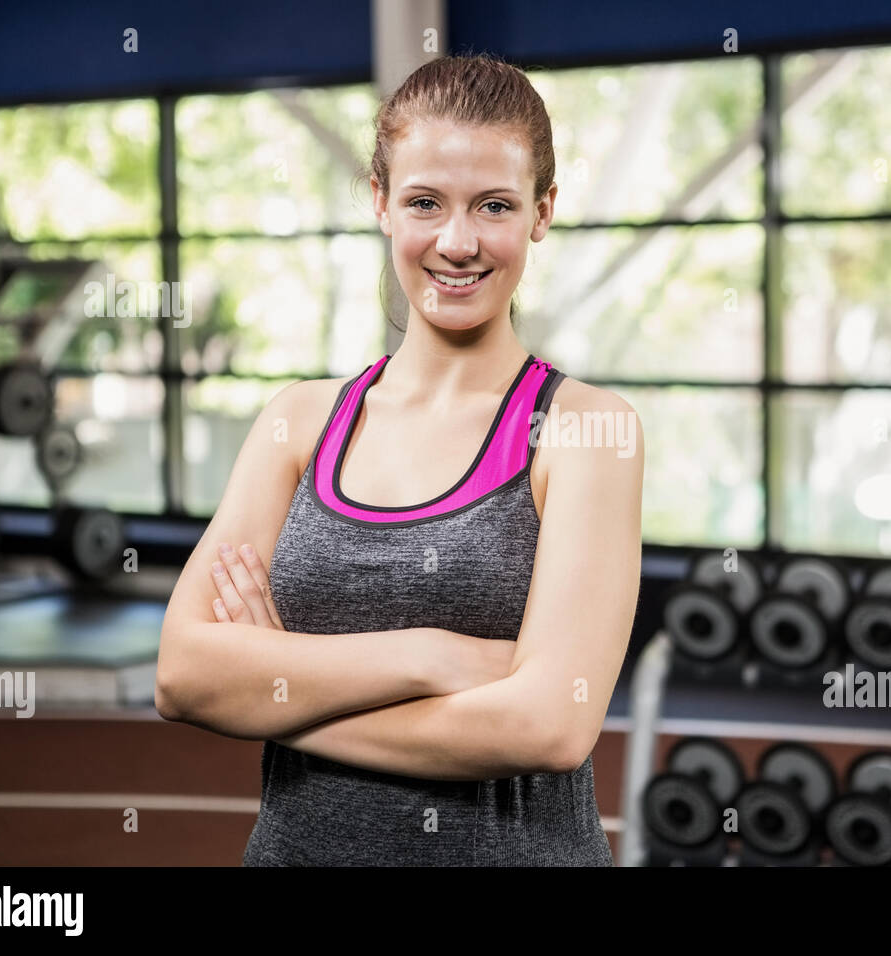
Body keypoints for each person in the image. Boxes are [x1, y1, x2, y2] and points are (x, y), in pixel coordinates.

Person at [155, 53, 644, 866]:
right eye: (425, 202)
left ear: (542, 212)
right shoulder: (298, 423)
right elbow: (182, 674)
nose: (458, 243)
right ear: (381, 203)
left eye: (494, 205)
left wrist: (277, 688)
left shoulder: (587, 429)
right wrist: (433, 657)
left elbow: (550, 725)